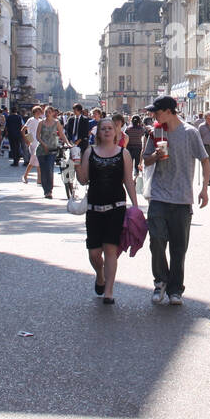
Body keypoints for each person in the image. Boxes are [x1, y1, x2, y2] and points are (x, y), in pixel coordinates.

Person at [142, 96, 209, 306]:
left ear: (170, 111)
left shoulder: (190, 133)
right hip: (159, 196)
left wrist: (204, 189)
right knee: (157, 240)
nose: (154, 115)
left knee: (179, 249)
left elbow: (205, 160)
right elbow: (145, 160)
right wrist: (154, 156)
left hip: (182, 198)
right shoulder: (156, 132)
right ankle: (160, 280)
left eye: (157, 111)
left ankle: (175, 289)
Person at [75, 118, 139, 305]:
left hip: (116, 207)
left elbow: (128, 180)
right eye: (103, 129)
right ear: (98, 133)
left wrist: (135, 205)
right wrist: (77, 164)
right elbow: (83, 180)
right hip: (94, 207)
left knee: (110, 249)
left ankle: (109, 291)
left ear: (116, 131)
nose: (107, 131)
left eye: (110, 128)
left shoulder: (123, 153)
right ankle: (100, 275)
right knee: (94, 253)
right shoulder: (90, 152)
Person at [35, 105, 71, 199]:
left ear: (53, 113)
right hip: (41, 150)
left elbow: (62, 134)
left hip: (52, 149)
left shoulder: (56, 122)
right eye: (46, 112)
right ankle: (46, 190)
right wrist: (44, 145)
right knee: (43, 170)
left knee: (49, 169)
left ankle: (49, 190)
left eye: (49, 112)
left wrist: (68, 143)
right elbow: (37, 136)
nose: (47, 114)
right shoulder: (41, 123)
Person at [22, 105, 43, 184]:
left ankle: (26, 175)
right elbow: (24, 130)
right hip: (33, 142)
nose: (38, 113)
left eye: (39, 111)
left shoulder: (41, 120)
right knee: (36, 160)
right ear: (34, 112)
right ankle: (38, 179)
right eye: (37, 111)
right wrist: (28, 140)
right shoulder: (31, 119)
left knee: (34, 161)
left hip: (39, 141)